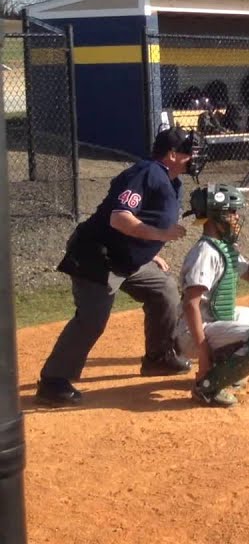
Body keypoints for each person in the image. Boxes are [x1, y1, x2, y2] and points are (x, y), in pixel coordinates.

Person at [34, 127, 204, 407]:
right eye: (188, 153)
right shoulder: (146, 173)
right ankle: (53, 381)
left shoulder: (172, 181)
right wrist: (161, 236)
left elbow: (148, 219)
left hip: (127, 259)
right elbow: (120, 219)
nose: (193, 158)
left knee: (164, 290)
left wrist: (150, 254)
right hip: (98, 257)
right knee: (92, 319)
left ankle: (159, 359)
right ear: (172, 154)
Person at [177, 183, 249, 407]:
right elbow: (191, 304)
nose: (236, 217)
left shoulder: (223, 247)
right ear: (215, 216)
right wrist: (203, 356)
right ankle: (208, 387)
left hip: (215, 320)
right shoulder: (205, 252)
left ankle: (229, 371)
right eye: (231, 212)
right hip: (193, 332)